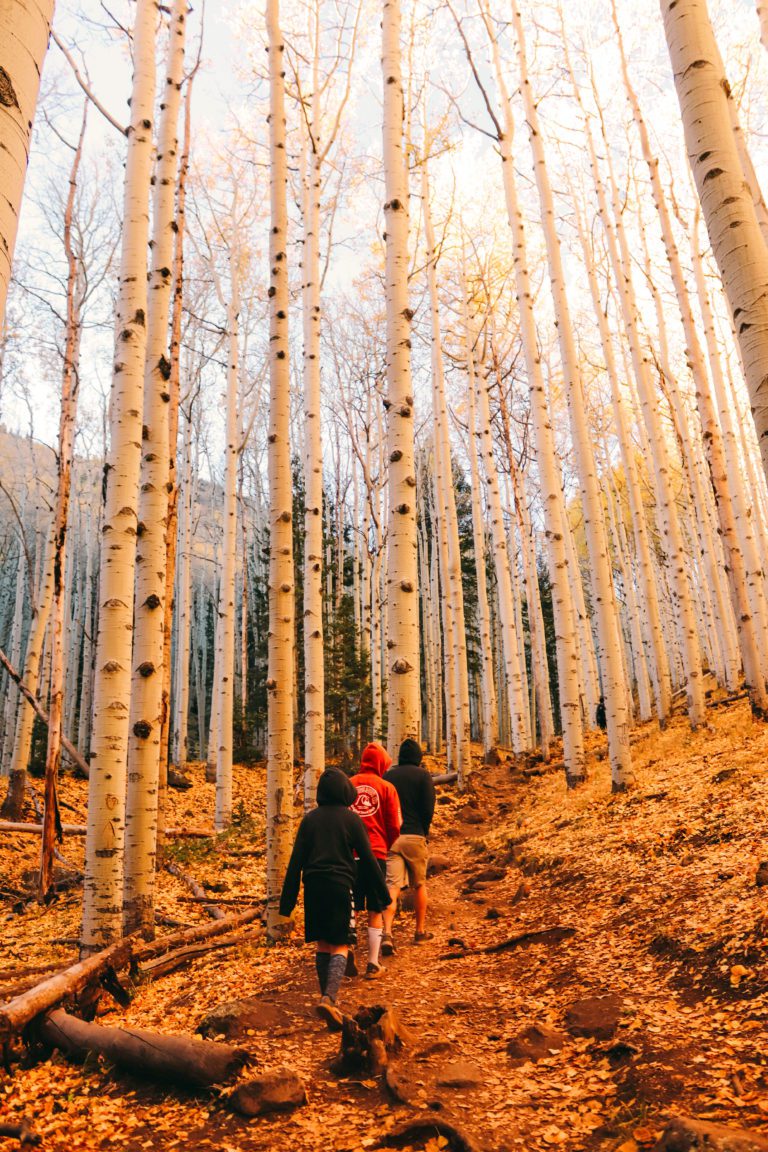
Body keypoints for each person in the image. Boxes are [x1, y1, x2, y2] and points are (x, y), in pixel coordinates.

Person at [279, 768, 390, 1029]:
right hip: (340, 886)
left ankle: (326, 1000)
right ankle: (329, 998)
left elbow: (295, 862)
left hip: (313, 886)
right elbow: (369, 859)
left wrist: (287, 903)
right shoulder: (352, 821)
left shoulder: (309, 820)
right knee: (341, 943)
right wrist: (383, 895)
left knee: (322, 944)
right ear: (345, 793)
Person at [350, 742, 401, 979]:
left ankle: (347, 949)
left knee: (350, 906)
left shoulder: (348, 784)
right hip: (376, 854)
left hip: (349, 856)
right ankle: (372, 962)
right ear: (382, 763)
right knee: (375, 908)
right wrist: (386, 846)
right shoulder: (387, 788)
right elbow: (394, 824)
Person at [381, 738, 436, 955]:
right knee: (419, 884)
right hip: (415, 835)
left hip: (392, 837)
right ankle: (420, 931)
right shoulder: (423, 776)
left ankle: (387, 933)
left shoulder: (388, 776)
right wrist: (424, 830)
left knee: (392, 887)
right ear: (418, 757)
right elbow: (428, 807)